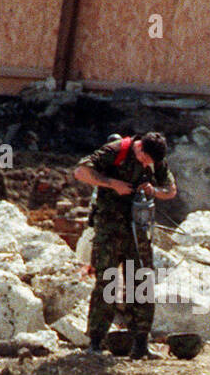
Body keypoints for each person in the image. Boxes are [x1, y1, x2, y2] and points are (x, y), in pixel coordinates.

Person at [73, 132, 178, 359]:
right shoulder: (115, 151)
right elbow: (80, 171)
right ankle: (95, 342)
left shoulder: (156, 160)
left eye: (151, 163)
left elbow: (170, 190)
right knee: (108, 282)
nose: (147, 165)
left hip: (138, 230)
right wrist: (112, 184)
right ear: (139, 149)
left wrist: (153, 191)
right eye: (145, 160)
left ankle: (140, 344)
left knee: (141, 282)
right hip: (109, 228)